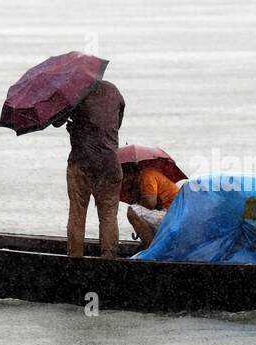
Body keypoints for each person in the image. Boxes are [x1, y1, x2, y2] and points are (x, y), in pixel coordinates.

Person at [65, 80, 125, 258]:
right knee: (108, 214)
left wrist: (73, 127)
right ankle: (108, 261)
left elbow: (59, 121)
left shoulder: (76, 94)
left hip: (81, 162)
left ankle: (75, 260)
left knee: (77, 212)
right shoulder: (113, 90)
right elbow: (115, 123)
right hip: (110, 163)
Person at [125, 162, 180, 249]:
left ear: (130, 174)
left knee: (132, 210)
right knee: (139, 210)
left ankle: (150, 248)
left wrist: (138, 202)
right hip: (173, 216)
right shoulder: (143, 177)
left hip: (173, 218)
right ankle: (151, 244)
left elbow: (150, 203)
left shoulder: (146, 176)